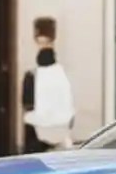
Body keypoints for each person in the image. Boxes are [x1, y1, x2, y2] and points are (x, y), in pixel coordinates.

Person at [21, 16, 75, 152]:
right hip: (59, 134)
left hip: (38, 134)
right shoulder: (62, 75)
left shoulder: (33, 76)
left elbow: (27, 105)